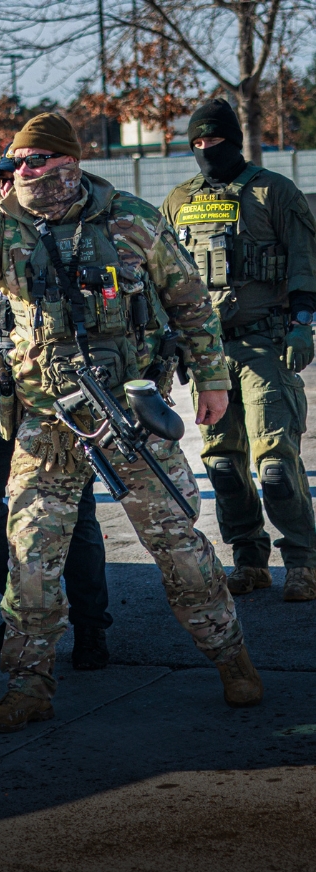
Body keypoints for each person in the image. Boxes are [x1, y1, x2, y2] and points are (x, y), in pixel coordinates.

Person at [0, 112, 261, 729]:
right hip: (46, 421)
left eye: (35, 161)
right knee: (30, 557)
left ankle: (232, 658)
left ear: (68, 163)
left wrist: (215, 381)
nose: (23, 173)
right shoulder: (5, 230)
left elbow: (192, 304)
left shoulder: (133, 220)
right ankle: (29, 683)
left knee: (179, 545)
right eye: (16, 163)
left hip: (129, 413)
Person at [0, 124, 114, 669]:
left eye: (17, 175)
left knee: (72, 514)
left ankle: (89, 625)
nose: (9, 186)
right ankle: (22, 606)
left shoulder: (60, 232)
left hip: (55, 397)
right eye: (4, 178)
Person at [162, 97, 316, 602]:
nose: (207, 149)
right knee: (223, 462)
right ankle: (249, 560)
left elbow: (305, 264)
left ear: (235, 140)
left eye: (215, 140)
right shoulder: (178, 200)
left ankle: (303, 561)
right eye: (198, 143)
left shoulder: (275, 191)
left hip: (265, 342)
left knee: (274, 459)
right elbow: (162, 278)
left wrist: (302, 324)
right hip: (207, 355)